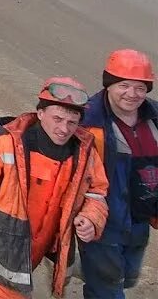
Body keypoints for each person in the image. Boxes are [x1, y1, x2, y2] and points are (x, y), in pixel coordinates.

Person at [0, 77, 110, 299]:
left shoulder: (85, 150)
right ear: (40, 114)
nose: (63, 128)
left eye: (72, 121)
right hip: (7, 242)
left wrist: (91, 218)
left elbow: (97, 192)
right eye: (57, 119)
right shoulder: (1, 142)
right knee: (12, 292)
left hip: (46, 243)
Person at [80, 49, 157, 298]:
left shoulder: (155, 116)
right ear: (109, 85)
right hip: (104, 222)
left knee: (125, 277)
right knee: (107, 288)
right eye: (124, 85)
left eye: (140, 88)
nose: (132, 94)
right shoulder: (87, 120)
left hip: (140, 220)